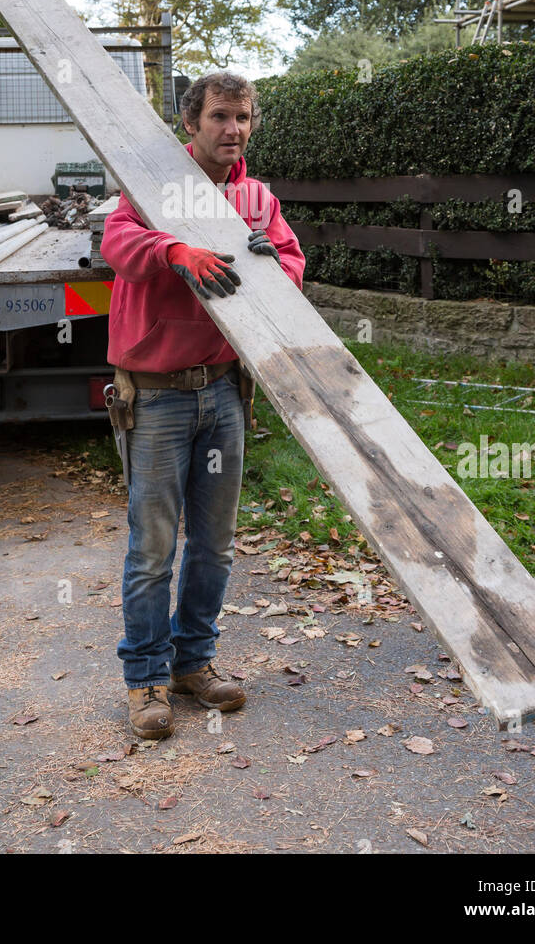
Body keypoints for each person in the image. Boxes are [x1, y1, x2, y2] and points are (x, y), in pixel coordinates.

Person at [100, 70, 305, 739]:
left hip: (222, 394)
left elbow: (294, 266)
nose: (233, 130)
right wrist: (174, 247)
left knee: (213, 547)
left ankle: (194, 665)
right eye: (220, 116)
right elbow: (118, 245)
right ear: (191, 123)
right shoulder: (153, 190)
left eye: (243, 117)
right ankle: (147, 681)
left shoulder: (255, 196)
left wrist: (273, 263)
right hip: (155, 399)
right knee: (153, 550)